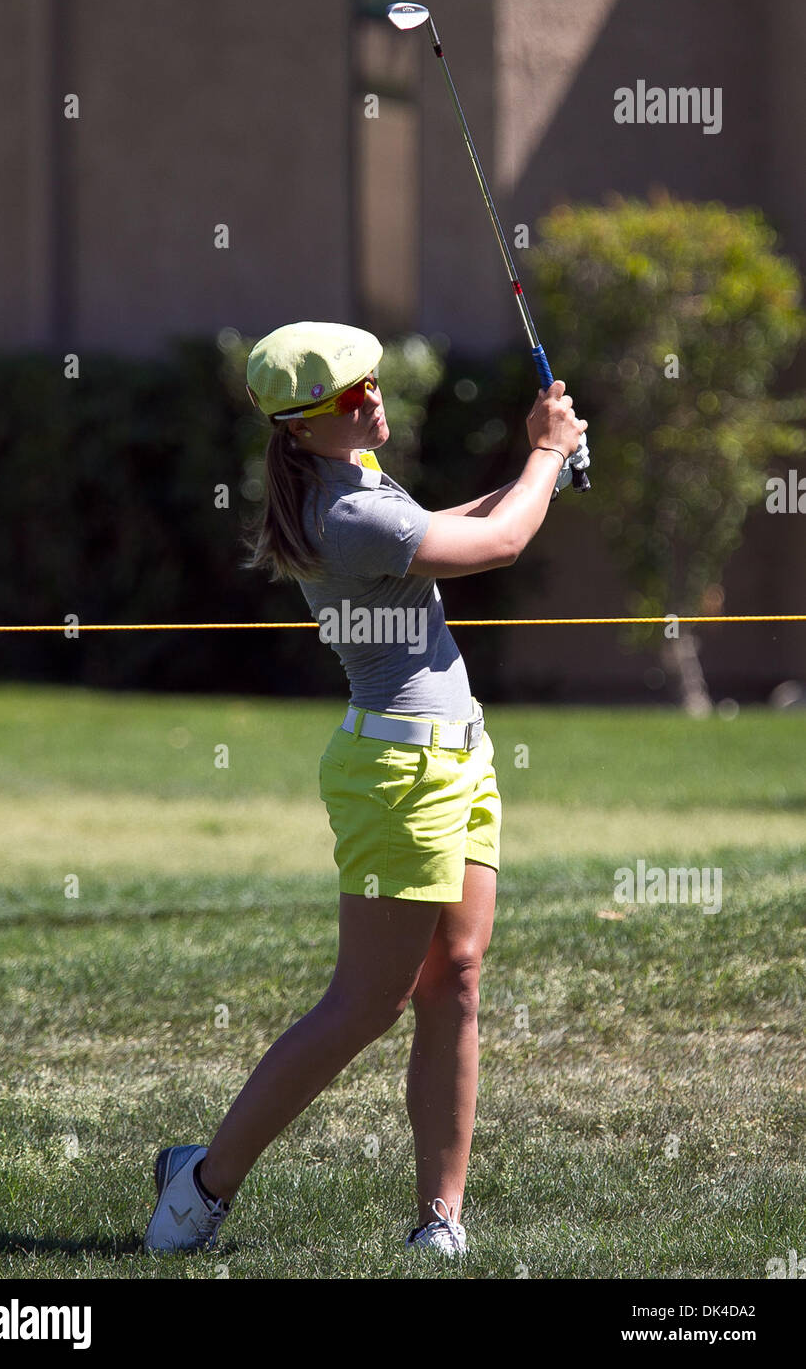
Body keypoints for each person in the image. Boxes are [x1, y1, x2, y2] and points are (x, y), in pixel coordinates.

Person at [144, 321, 589, 1258]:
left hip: (456, 757)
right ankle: (201, 1187)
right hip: (401, 772)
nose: (375, 401)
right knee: (367, 1004)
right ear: (305, 424)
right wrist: (548, 455)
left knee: (456, 983)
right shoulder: (349, 514)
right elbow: (500, 544)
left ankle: (440, 1221)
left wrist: (533, 464)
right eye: (355, 396)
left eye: (376, 382)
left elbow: (453, 526)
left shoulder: (352, 483)